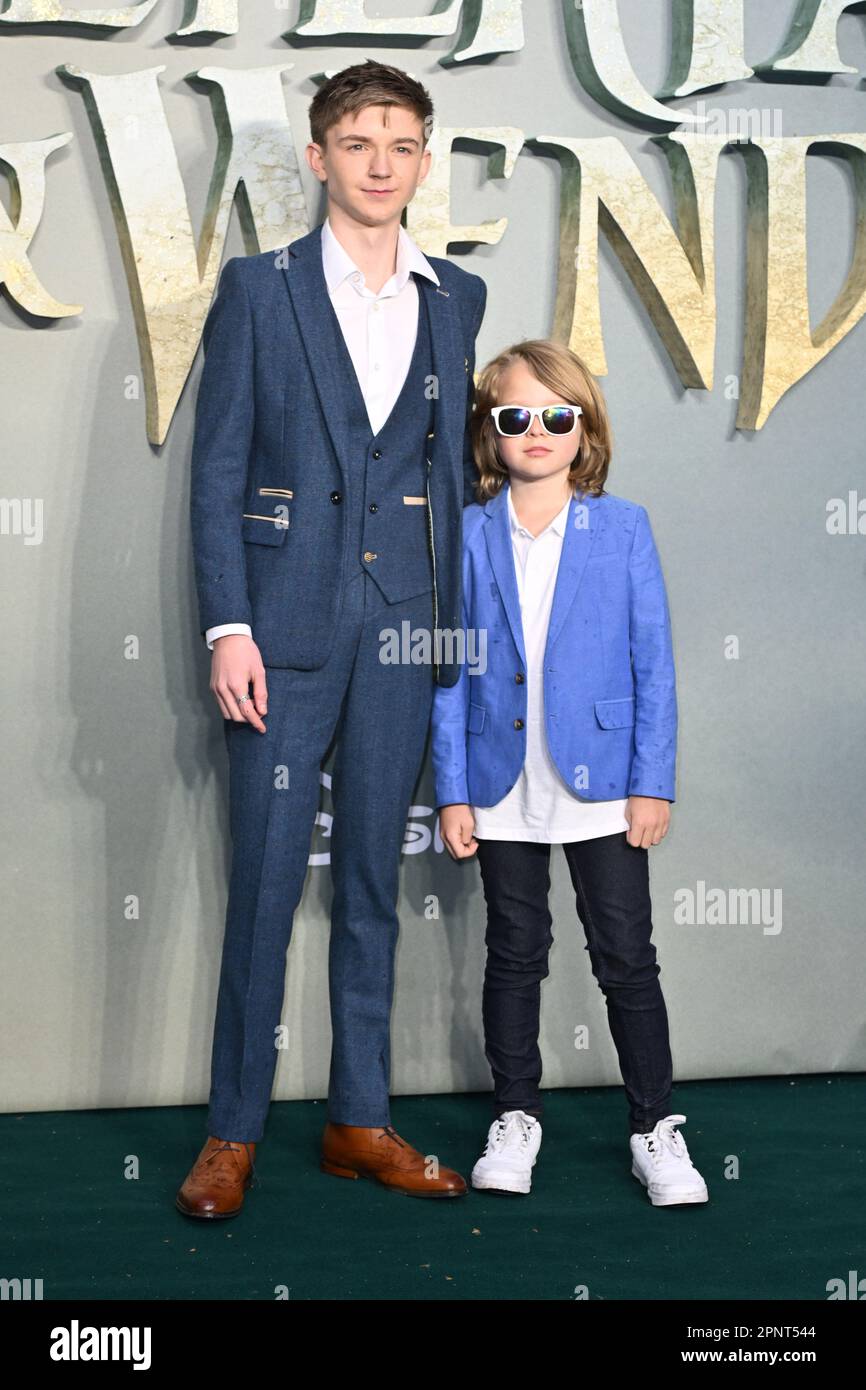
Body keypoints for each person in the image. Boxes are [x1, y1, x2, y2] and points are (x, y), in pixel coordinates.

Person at [178, 60, 487, 1217]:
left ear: (420, 162)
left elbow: (443, 477)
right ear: (317, 158)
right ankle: (232, 1133)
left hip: (403, 630)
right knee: (262, 883)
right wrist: (226, 623)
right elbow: (217, 476)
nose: (378, 162)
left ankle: (360, 1116)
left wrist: (447, 633)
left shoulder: (457, 297)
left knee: (369, 879)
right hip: (281, 623)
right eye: (357, 142)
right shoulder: (259, 290)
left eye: (400, 145)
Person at [431, 340, 708, 1206]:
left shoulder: (622, 528)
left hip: (605, 778)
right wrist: (450, 786)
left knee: (626, 955)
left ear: (584, 428)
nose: (538, 432)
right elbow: (448, 666)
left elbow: (652, 662)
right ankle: (516, 1116)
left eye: (558, 416)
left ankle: (655, 1129)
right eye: (517, 417)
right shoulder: (468, 533)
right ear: (492, 431)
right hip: (499, 777)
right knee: (515, 953)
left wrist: (652, 779)